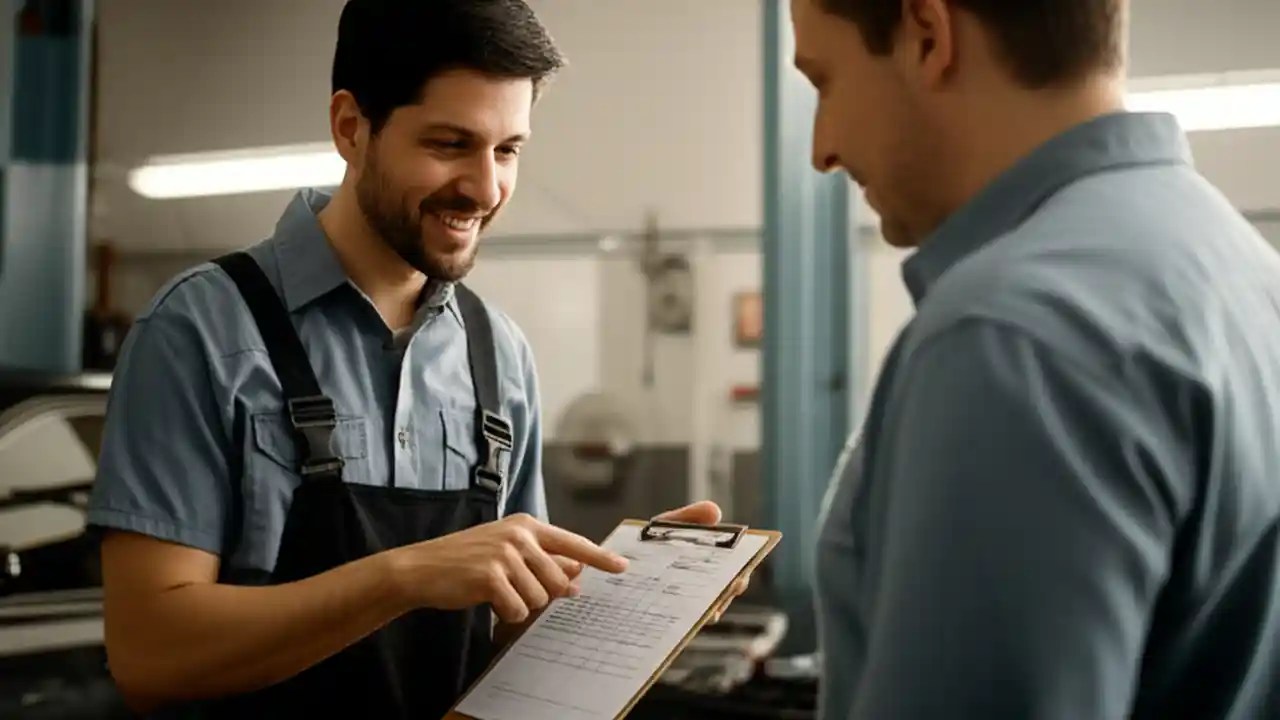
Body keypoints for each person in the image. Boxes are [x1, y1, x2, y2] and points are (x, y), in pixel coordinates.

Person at [87, 1, 740, 717]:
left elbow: (511, 647)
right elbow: (151, 652)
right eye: (449, 143)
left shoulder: (500, 356)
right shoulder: (200, 331)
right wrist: (402, 576)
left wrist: (633, 607)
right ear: (350, 128)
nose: (486, 188)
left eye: (508, 150)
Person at [791, 0, 1280, 718]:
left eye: (824, 82)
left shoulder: (1012, 335)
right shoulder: (1246, 270)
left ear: (928, 35)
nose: (822, 148)